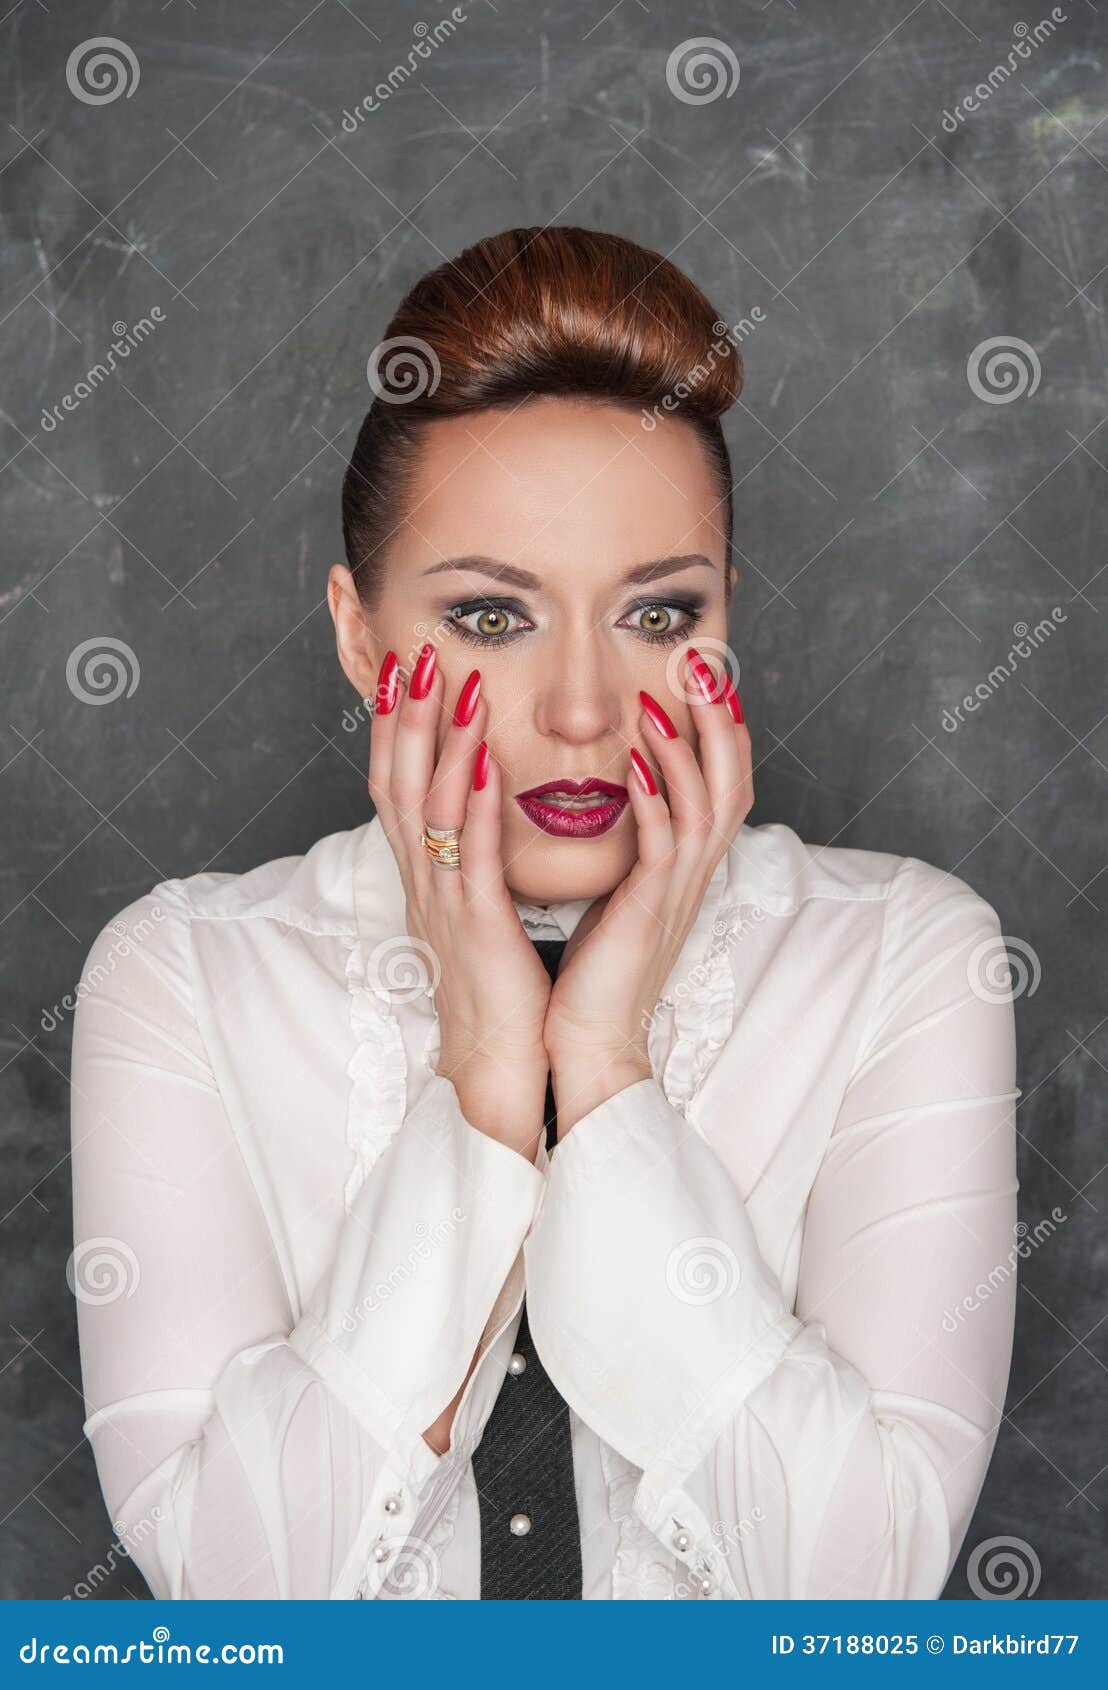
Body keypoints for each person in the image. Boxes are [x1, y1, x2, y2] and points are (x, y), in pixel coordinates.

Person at [70, 225, 1020, 1600]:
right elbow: (242, 1602)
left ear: (725, 620)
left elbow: (857, 1594)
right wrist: (484, 1075)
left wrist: (612, 1066)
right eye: (492, 619)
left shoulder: (904, 956)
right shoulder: (183, 975)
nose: (583, 710)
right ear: (358, 634)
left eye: (657, 611)